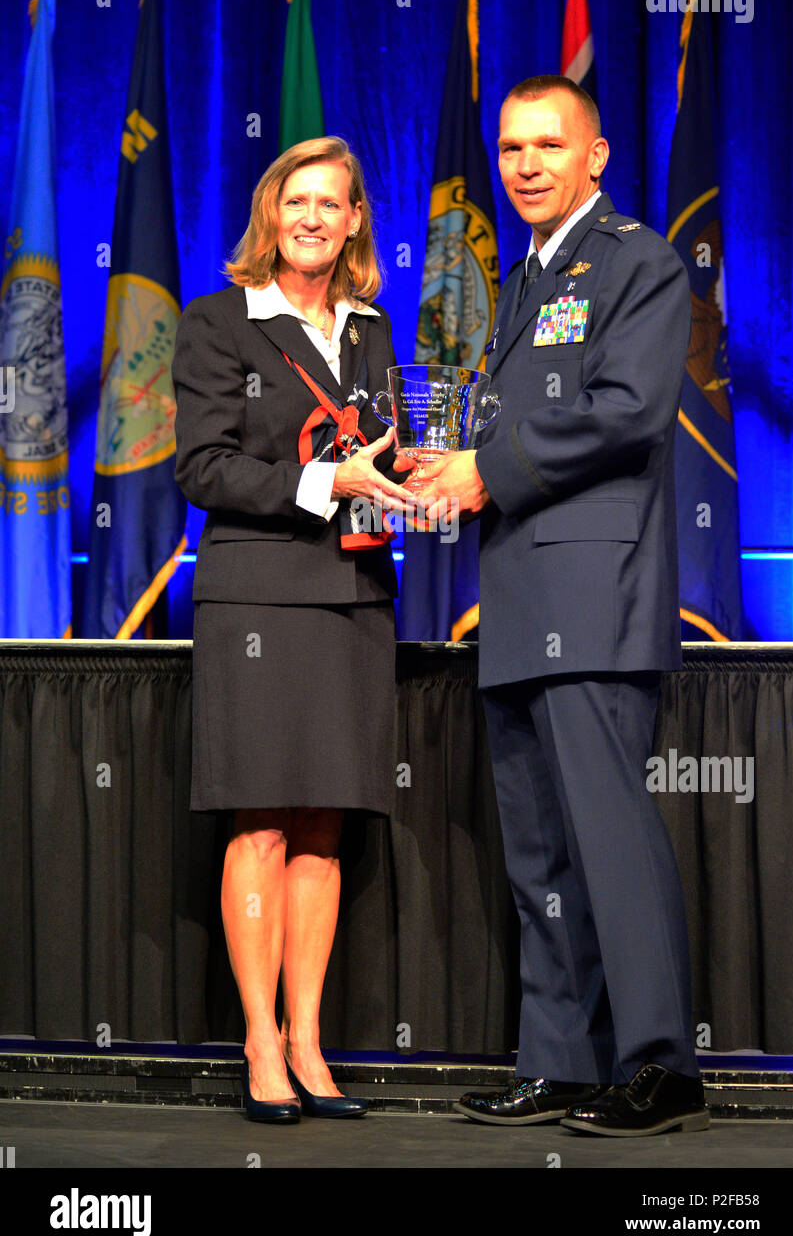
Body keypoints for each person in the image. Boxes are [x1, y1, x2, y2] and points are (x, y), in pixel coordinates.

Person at [409, 76, 710, 1136]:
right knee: (540, 848)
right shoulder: (526, 276)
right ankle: (563, 1059)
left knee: (608, 837)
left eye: (549, 144)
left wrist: (483, 473)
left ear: (598, 155)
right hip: (519, 594)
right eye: (510, 147)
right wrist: (448, 464)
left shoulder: (637, 260)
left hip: (597, 595)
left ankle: (662, 1065)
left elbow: (629, 412)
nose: (525, 164)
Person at [171, 136, 415, 1123]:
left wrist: (412, 490)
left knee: (325, 822)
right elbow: (202, 468)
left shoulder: (371, 328)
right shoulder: (221, 321)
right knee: (262, 817)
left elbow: (389, 447)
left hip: (355, 598)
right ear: (270, 216)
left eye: (333, 203)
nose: (314, 217)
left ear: (355, 221)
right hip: (259, 599)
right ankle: (259, 1042)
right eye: (296, 200)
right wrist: (329, 482)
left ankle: (309, 1038)